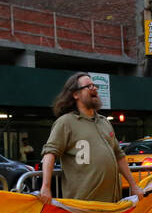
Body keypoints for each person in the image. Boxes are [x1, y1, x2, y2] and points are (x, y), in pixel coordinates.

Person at [39, 72, 141, 203]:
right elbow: (50, 154)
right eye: (88, 86)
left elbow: (119, 155)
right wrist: (45, 187)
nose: (94, 88)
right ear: (75, 94)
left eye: (94, 85)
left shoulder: (105, 122)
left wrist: (133, 185)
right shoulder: (65, 122)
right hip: (82, 204)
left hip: (111, 204)